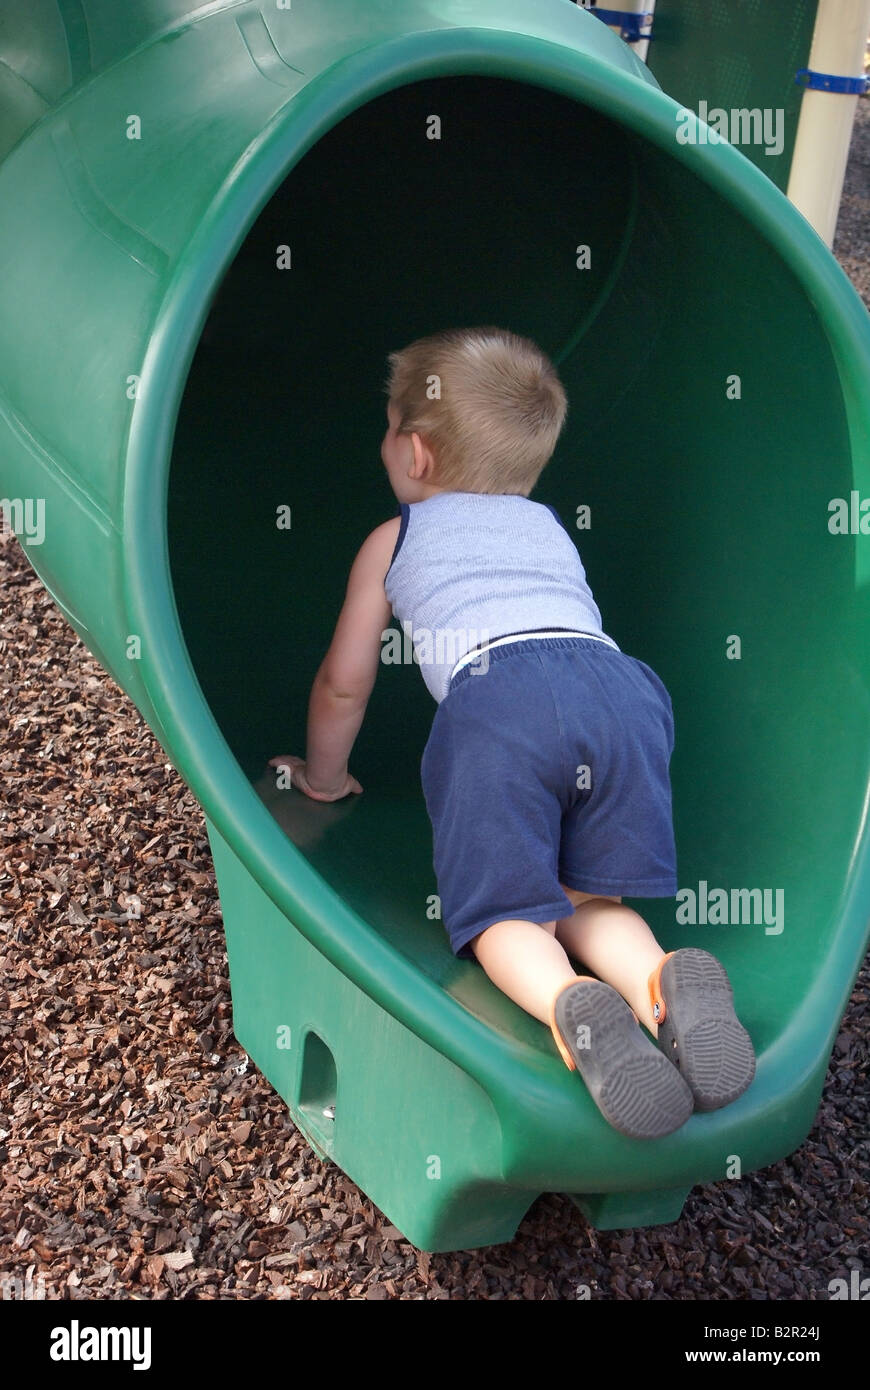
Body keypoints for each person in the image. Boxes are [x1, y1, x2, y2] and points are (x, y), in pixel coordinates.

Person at [269, 326, 755, 1139]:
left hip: (500, 707)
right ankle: (663, 982)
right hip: (622, 694)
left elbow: (345, 682)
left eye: (391, 426)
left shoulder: (396, 539)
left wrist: (323, 779)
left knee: (506, 919)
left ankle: (571, 1004)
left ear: (415, 454)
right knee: (585, 897)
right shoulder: (548, 527)